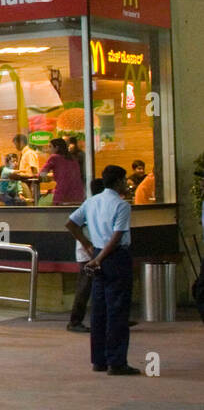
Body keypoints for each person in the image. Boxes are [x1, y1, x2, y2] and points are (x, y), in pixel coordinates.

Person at [66, 165, 138, 375]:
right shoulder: (122, 205)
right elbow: (117, 237)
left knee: (99, 310)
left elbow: (71, 224)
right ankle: (116, 361)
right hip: (115, 258)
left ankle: (99, 360)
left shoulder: (92, 201)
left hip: (97, 252)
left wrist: (88, 246)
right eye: (124, 181)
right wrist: (99, 258)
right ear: (119, 182)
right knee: (117, 310)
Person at [67, 178, 104, 333]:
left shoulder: (96, 204)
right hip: (87, 252)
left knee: (101, 286)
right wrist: (87, 244)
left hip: (95, 250)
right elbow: (72, 224)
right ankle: (75, 321)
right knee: (85, 286)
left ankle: (108, 318)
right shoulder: (91, 205)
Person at [40, 137, 83, 206]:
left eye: (50, 147)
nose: (49, 150)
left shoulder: (54, 157)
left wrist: (50, 176)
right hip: (78, 194)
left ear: (56, 148)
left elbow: (42, 173)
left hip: (63, 193)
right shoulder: (73, 158)